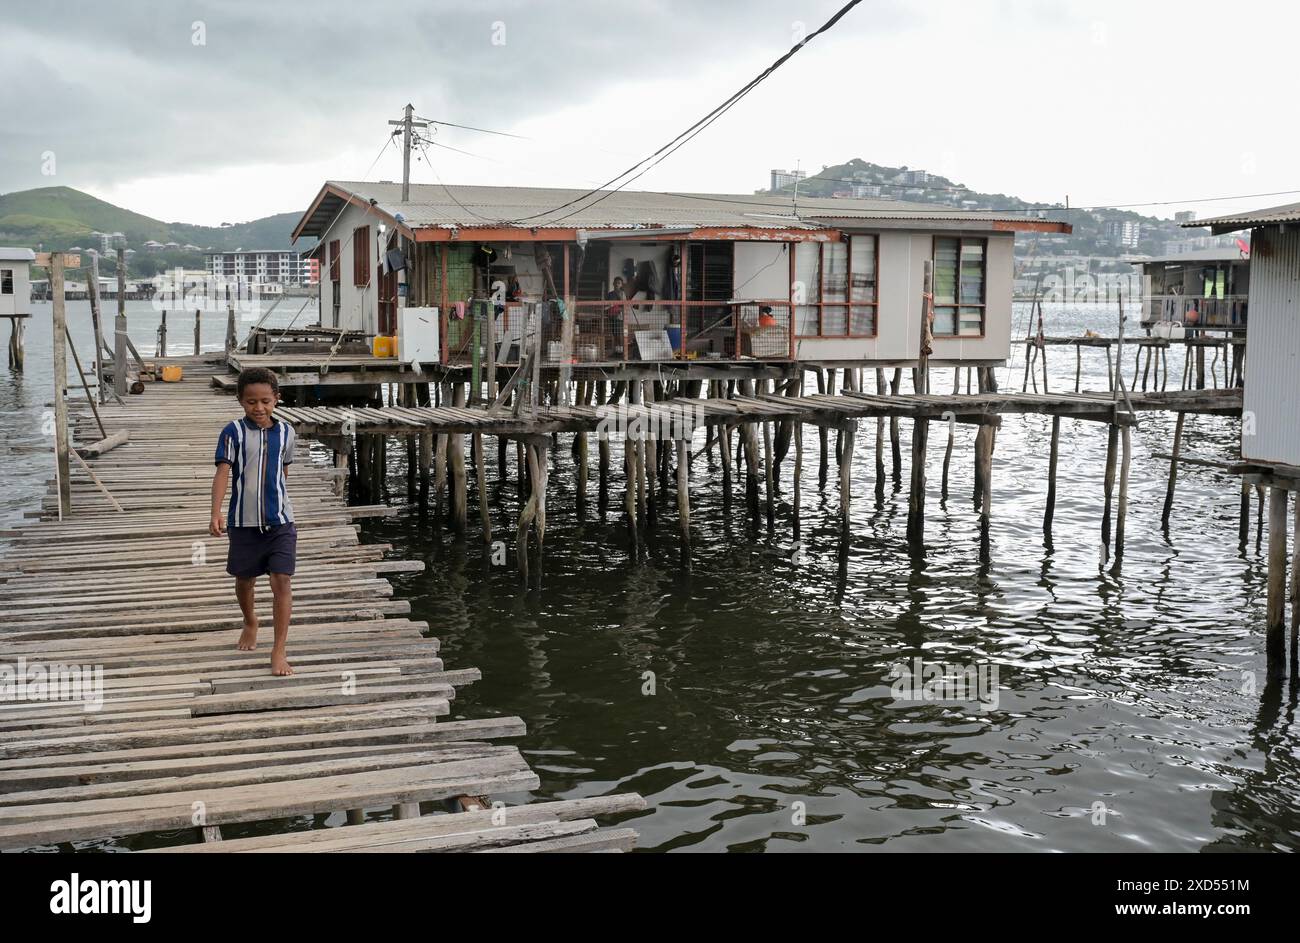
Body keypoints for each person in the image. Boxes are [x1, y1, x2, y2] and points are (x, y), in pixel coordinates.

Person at [210, 367, 297, 676]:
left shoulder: (287, 432)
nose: (258, 408)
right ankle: (250, 620)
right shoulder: (232, 432)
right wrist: (216, 512)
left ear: (276, 399)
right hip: (243, 522)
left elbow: (283, 470)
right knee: (244, 580)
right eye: (251, 402)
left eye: (265, 401)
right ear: (240, 401)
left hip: (280, 521)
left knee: (281, 580)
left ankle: (279, 649)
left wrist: (277, 499)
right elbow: (223, 472)